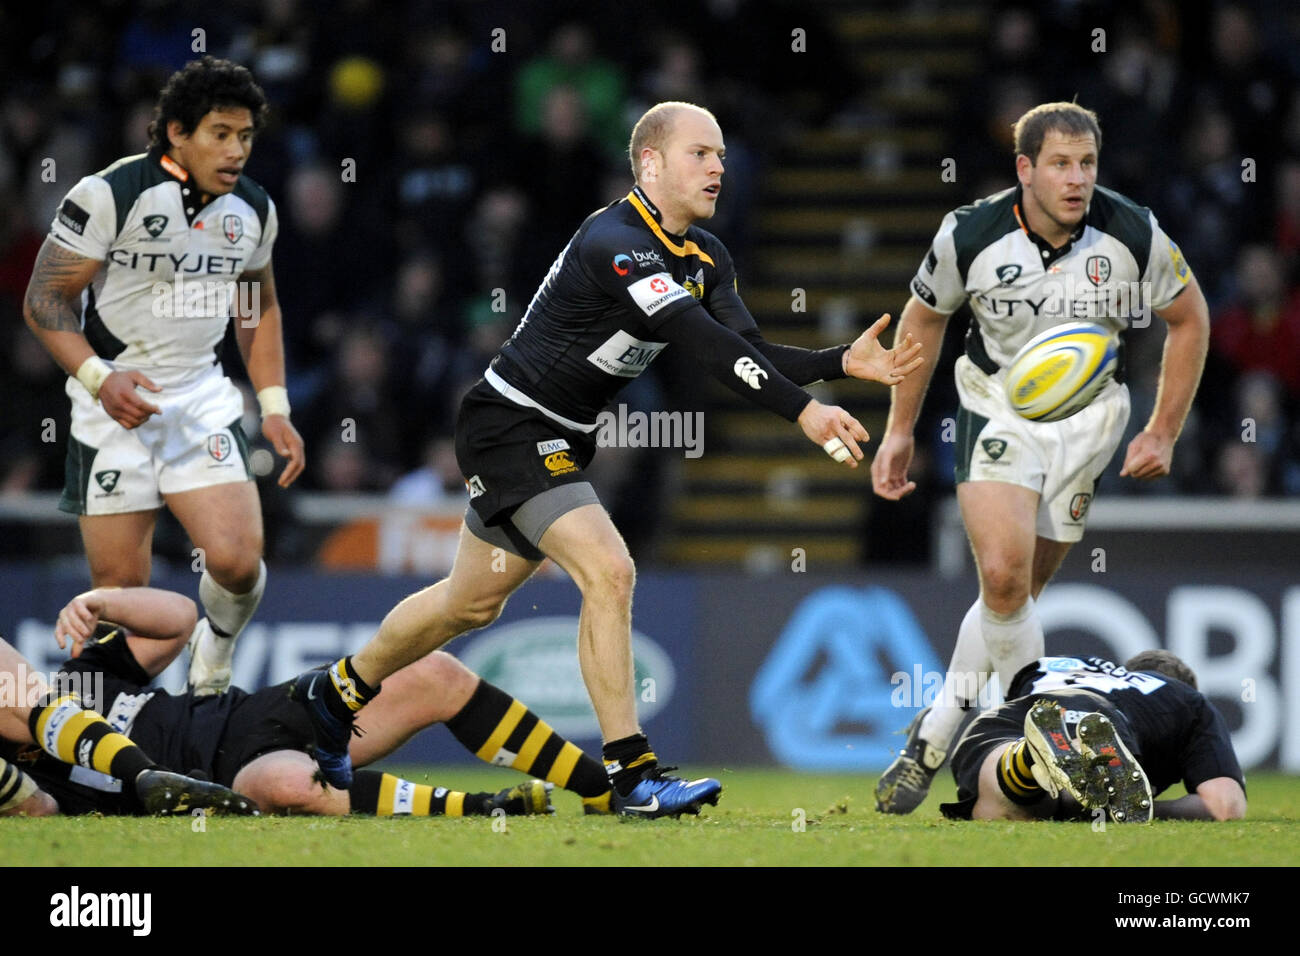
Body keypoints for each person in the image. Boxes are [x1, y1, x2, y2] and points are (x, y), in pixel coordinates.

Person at [292, 100, 924, 817]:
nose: (718, 167)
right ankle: (632, 776)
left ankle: (335, 691)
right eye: (700, 154)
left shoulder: (708, 257)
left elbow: (743, 350)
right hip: (512, 424)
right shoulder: (615, 240)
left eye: (720, 154)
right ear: (650, 163)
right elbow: (701, 344)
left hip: (557, 436)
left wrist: (839, 360)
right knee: (611, 569)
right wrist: (804, 412)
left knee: (469, 604)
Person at [872, 102, 1210, 814]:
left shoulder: (1131, 230)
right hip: (996, 407)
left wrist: (1162, 430)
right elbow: (924, 320)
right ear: (1025, 169)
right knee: (1000, 575)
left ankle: (932, 735)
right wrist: (901, 427)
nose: (1077, 178)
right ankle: (1043, 728)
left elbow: (1190, 318)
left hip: (1089, 423)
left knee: (1016, 595)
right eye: (1060, 163)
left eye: (1087, 163)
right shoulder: (970, 232)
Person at [21, 57, 305, 699]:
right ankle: (108, 725)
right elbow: (44, 300)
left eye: (246, 136)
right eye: (221, 134)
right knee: (121, 598)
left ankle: (217, 651)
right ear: (177, 132)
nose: (237, 150)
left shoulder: (254, 209)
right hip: (110, 407)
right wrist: (99, 379)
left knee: (236, 562)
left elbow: (256, 308)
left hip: (199, 399)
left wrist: (276, 405)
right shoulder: (109, 193)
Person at [4, 586, 613, 818]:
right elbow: (37, 819)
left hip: (253, 715)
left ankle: (600, 788)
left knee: (435, 674)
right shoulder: (35, 788)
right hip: (229, 776)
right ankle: (485, 808)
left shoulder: (79, 682)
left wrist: (100, 600)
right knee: (292, 787)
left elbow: (180, 619)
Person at [939, 650, 1247, 823]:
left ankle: (1030, 755)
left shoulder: (1062, 664)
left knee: (999, 805)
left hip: (1006, 719)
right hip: (1106, 718)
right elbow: (1225, 806)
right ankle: (1085, 778)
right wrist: (1145, 808)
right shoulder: (1188, 701)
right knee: (1060, 806)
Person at [0, 621, 256, 818]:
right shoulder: (80, 678)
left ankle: (148, 775)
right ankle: (146, 774)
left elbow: (179, 619)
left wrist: (103, 603)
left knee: (31, 703)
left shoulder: (82, 677)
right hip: (51, 780)